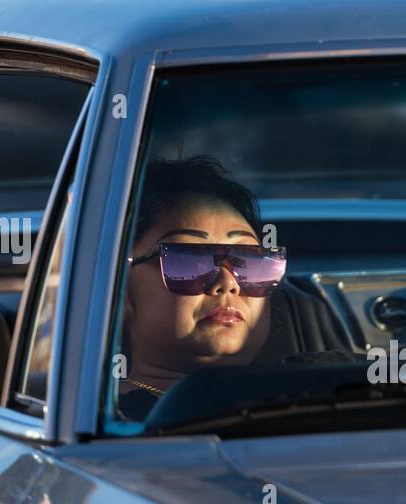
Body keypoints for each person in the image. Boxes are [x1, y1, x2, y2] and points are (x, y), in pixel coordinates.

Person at [118, 157, 286, 419]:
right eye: (190, 261)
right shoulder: (108, 423)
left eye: (250, 261)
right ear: (119, 292)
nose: (228, 283)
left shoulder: (322, 390)